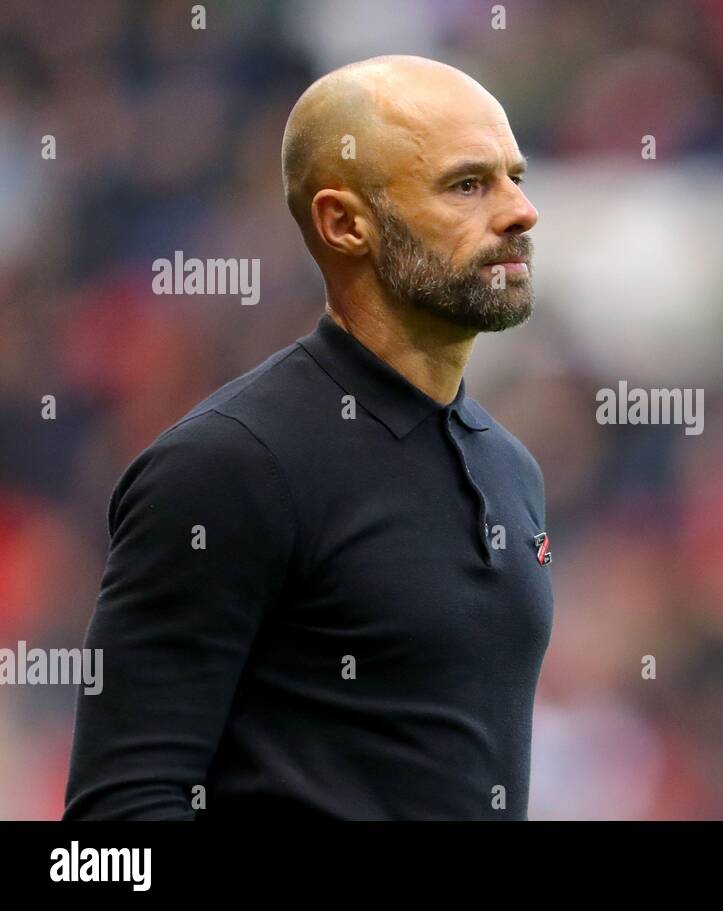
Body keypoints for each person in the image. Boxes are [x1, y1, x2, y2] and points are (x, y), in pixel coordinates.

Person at [63, 55, 553, 820]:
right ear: (344, 222)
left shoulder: (511, 469)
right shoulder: (229, 466)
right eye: (468, 184)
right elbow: (106, 840)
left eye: (514, 175)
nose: (521, 210)